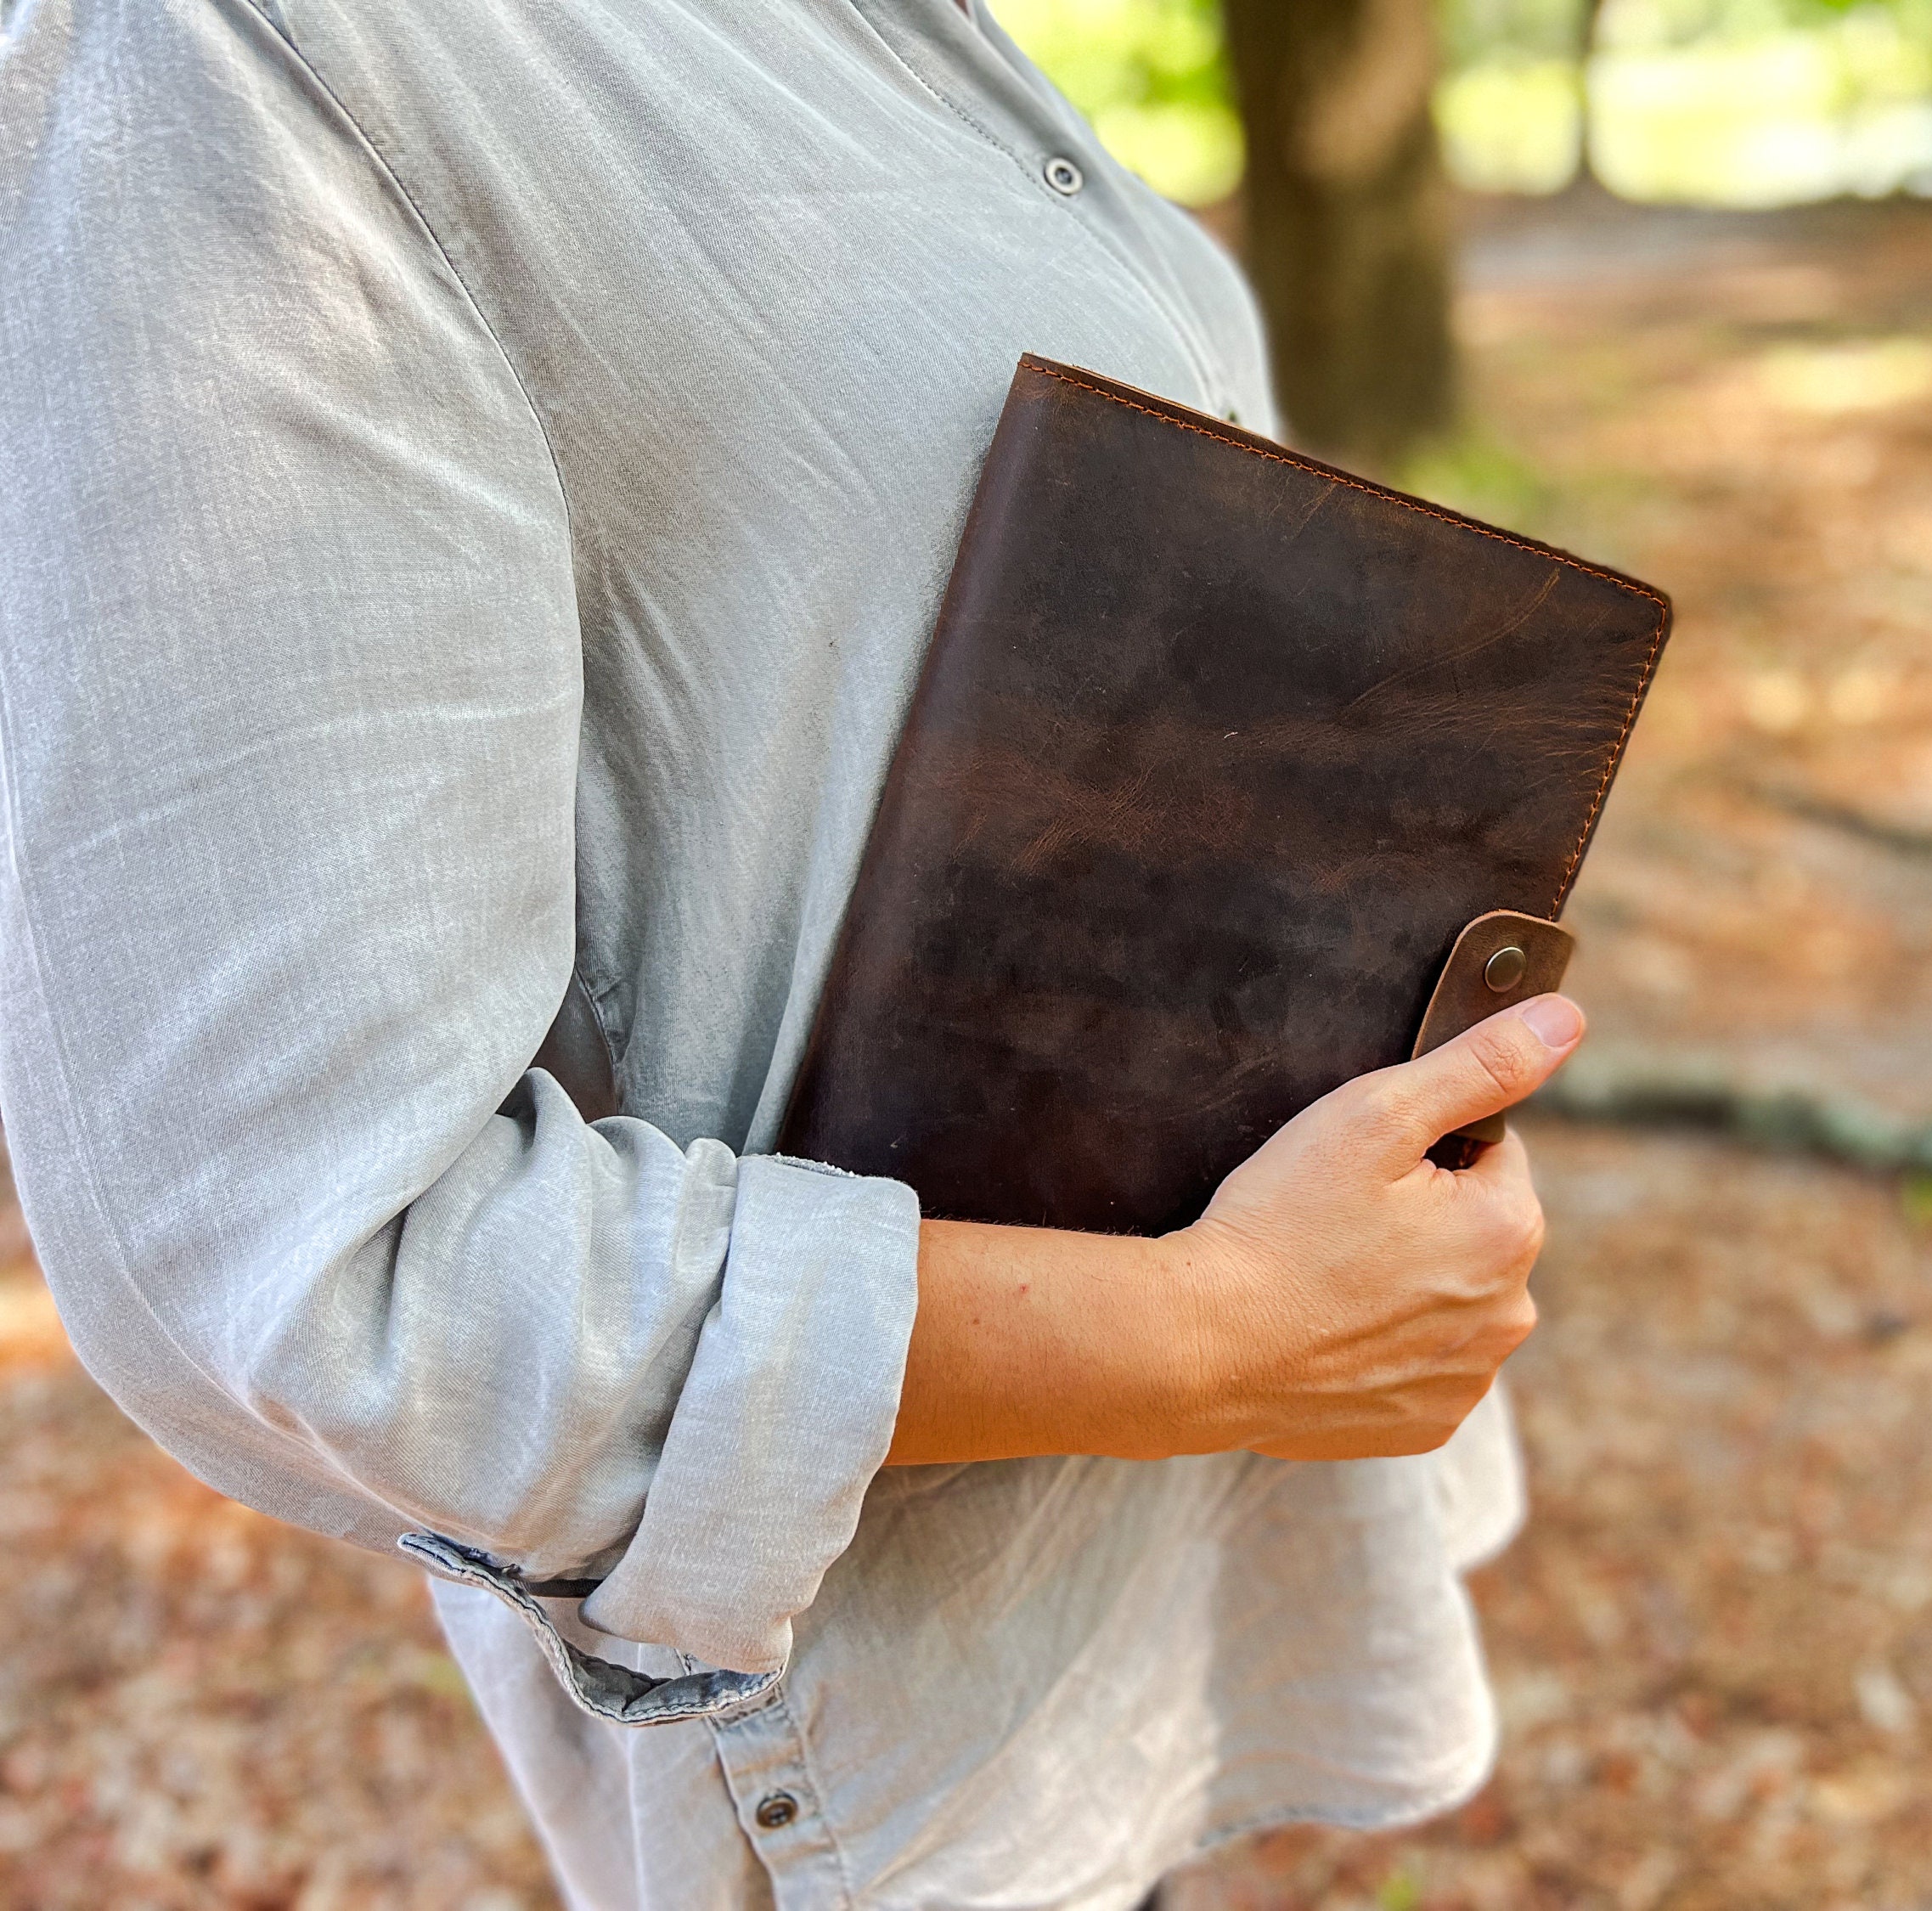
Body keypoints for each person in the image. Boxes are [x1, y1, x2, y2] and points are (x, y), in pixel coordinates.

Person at [0, 2, 1580, 1904]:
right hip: (868, 1746)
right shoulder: (234, 61)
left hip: (1092, 1645)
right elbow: (319, 1269)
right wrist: (1208, 1335)